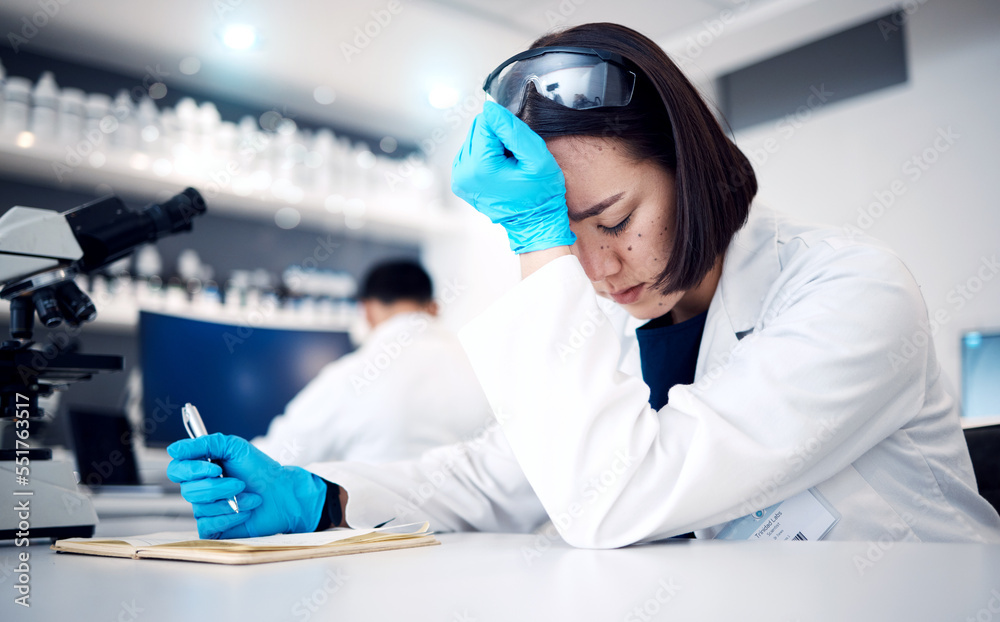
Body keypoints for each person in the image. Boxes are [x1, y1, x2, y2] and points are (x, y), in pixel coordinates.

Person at [167, 23, 1000, 545]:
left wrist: (538, 241)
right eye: (566, 240)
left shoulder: (852, 293)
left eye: (613, 218)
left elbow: (619, 498)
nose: (597, 271)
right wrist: (320, 498)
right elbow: (492, 479)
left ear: (692, 168)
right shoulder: (621, 327)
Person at [250, 259, 491, 466]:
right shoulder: (483, 366)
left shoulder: (352, 376)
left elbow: (277, 457)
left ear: (366, 309)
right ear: (435, 307)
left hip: (379, 507)